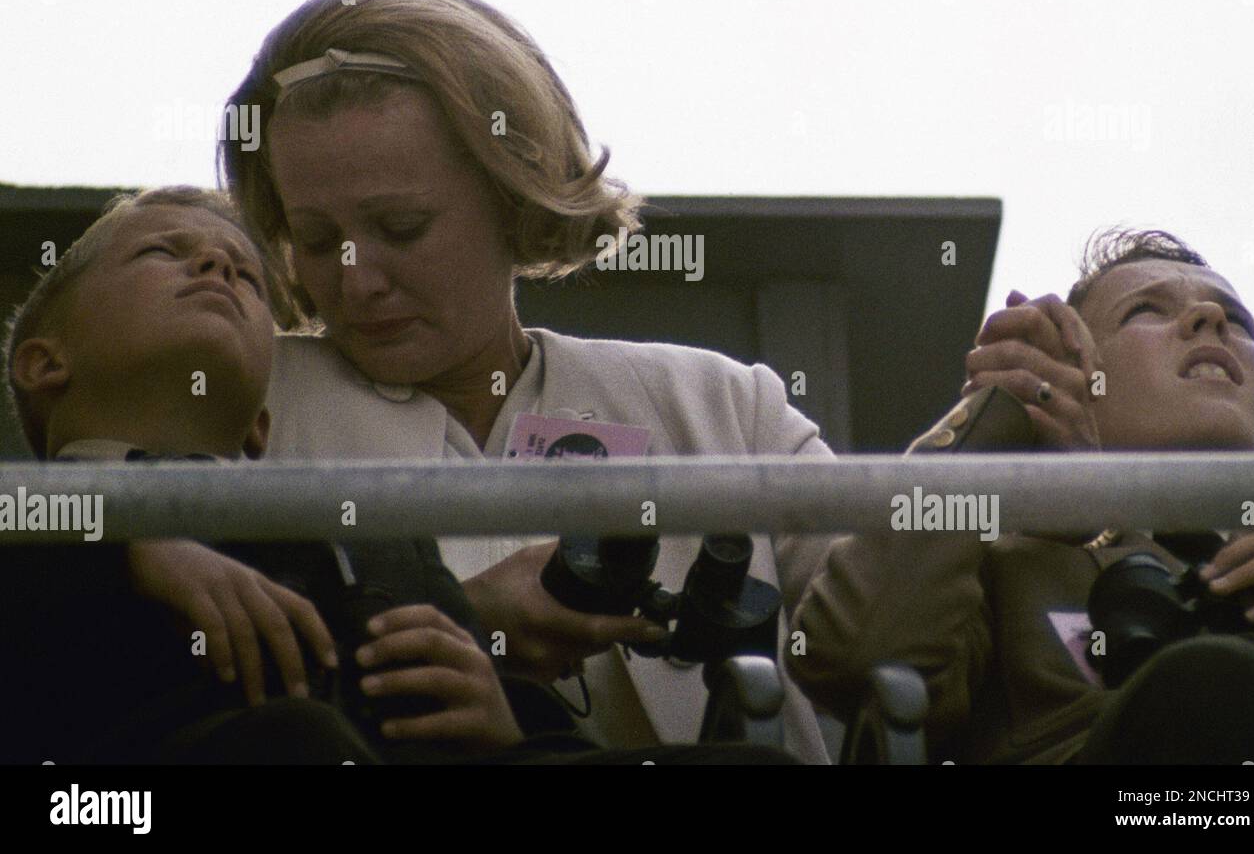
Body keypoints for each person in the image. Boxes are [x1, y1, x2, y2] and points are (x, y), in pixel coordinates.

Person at [218, 0, 833, 760]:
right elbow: (161, 690)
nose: (355, 277)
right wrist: (465, 623)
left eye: (400, 227)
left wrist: (983, 429)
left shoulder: (727, 405)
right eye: (312, 236)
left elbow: (893, 643)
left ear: (515, 199)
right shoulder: (243, 403)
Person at [3, 186, 792, 765]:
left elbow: (531, 736)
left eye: (244, 274)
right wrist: (120, 543)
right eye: (160, 251)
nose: (214, 262)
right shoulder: (31, 518)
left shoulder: (372, 539)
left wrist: (504, 723)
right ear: (45, 363)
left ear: (260, 426)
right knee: (295, 741)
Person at [788, 228, 1254, 763]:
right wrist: (998, 418)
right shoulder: (997, 554)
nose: (1211, 321)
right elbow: (856, 659)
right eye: (1145, 311)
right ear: (1075, 372)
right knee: (1214, 679)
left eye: (1237, 320)